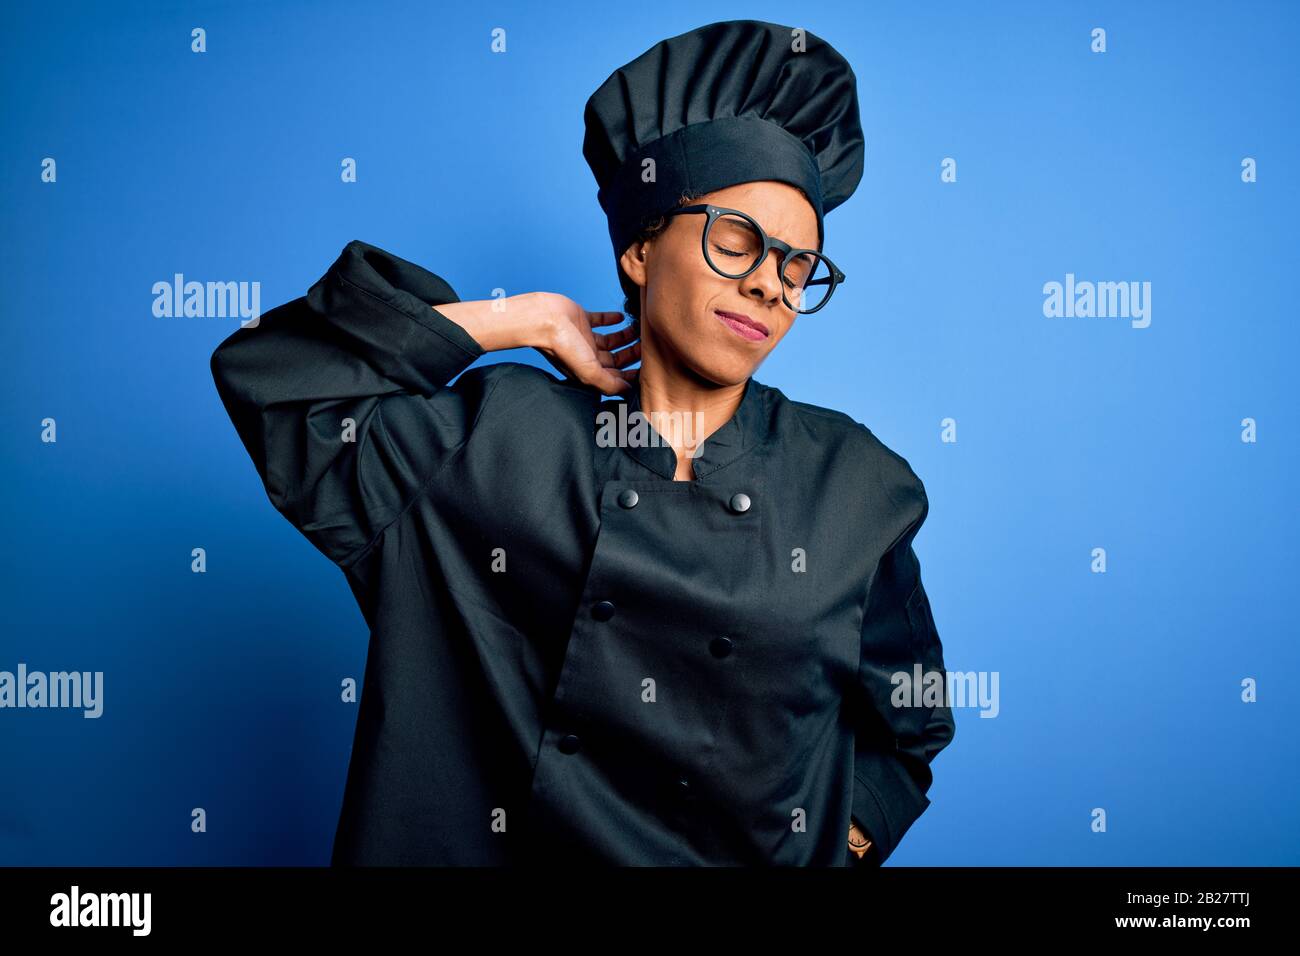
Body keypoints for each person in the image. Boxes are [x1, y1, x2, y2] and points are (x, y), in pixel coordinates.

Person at [211, 18, 955, 866]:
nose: (767, 282)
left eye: (796, 266)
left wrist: (838, 839)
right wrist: (516, 318)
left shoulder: (856, 485)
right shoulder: (496, 437)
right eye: (735, 238)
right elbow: (280, 380)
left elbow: (914, 718)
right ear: (641, 251)